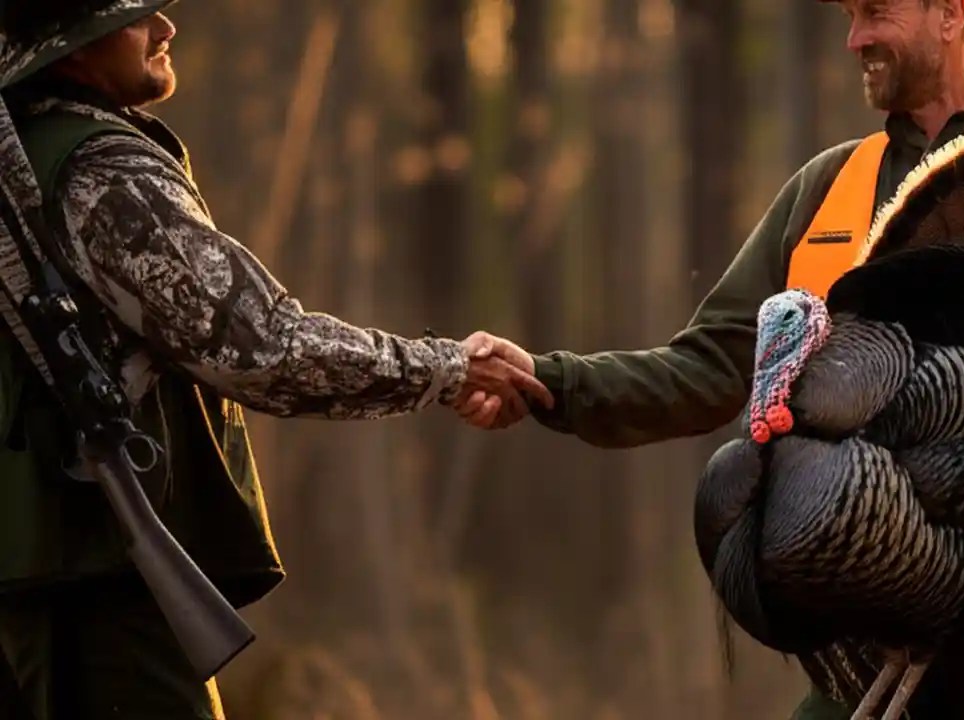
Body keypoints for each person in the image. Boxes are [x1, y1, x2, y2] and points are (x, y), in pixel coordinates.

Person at [453, 0, 964, 717]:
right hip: (871, 647)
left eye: (875, 12)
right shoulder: (830, 189)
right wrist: (548, 381)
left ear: (950, 13)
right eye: (849, 16)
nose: (855, 39)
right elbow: (709, 367)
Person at [0, 2, 552, 719]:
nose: (165, 27)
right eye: (136, 16)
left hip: (34, 581)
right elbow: (263, 349)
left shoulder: (26, 171)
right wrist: (446, 369)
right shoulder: (99, 173)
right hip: (92, 590)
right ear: (68, 44)